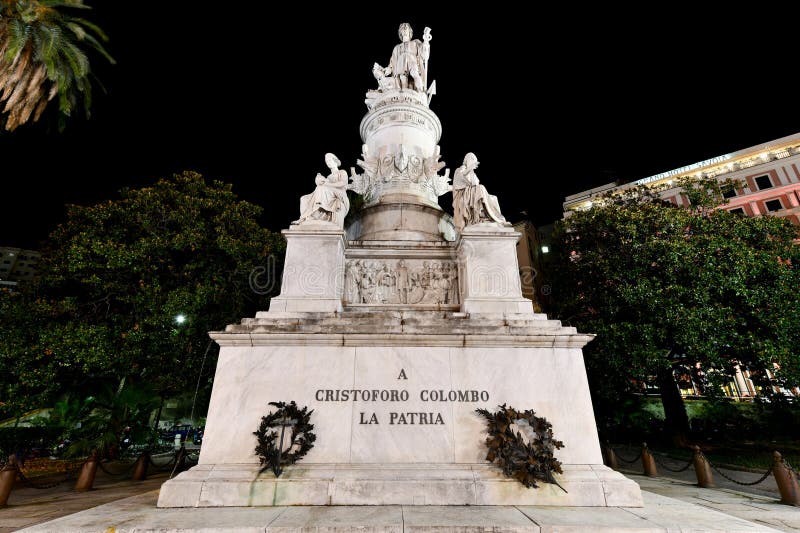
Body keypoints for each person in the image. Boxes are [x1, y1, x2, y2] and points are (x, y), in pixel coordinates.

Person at [452, 153, 510, 231]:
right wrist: (469, 169)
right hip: (464, 193)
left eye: (474, 161)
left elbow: (475, 184)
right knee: (481, 188)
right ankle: (481, 217)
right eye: (472, 159)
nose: (473, 162)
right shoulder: (460, 169)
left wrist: (471, 171)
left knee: (493, 198)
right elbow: (459, 180)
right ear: (467, 159)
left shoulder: (472, 173)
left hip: (473, 192)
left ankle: (497, 219)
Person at [293, 153, 350, 227]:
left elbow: (342, 183)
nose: (328, 163)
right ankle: (304, 217)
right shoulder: (329, 177)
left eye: (329, 160)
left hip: (339, 193)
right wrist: (320, 180)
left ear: (335, 161)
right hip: (327, 192)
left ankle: (316, 211)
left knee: (321, 188)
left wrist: (327, 184)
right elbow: (324, 184)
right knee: (304, 199)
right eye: (327, 161)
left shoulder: (342, 172)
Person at [384, 23, 430, 93]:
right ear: (400, 33)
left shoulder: (416, 43)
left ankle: (421, 93)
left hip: (413, 64)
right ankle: (404, 96)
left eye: (406, 29)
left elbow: (424, 55)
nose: (405, 31)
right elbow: (392, 63)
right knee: (403, 78)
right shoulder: (397, 48)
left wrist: (426, 41)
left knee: (415, 75)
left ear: (410, 32)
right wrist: (388, 69)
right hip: (401, 68)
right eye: (402, 29)